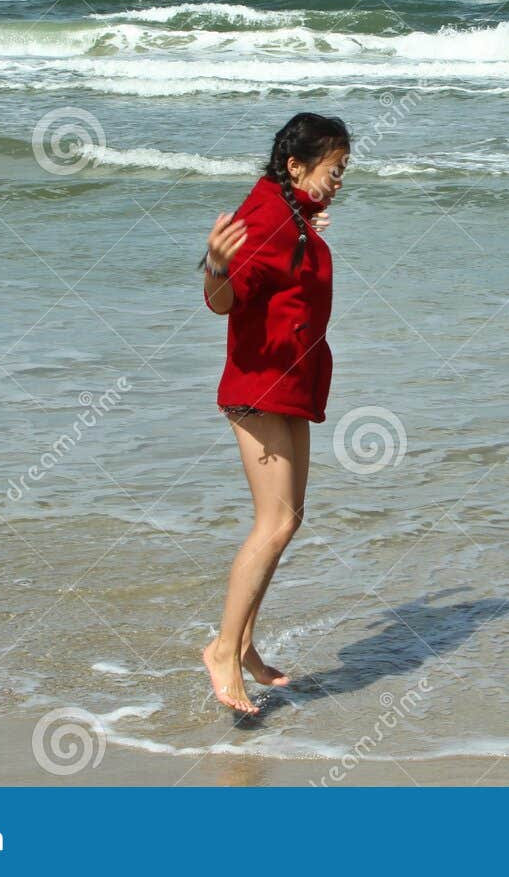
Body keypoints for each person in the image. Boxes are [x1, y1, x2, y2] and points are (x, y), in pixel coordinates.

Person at [199, 112, 350, 712]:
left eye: (344, 171)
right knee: (274, 523)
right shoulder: (263, 218)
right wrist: (213, 263)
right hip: (259, 387)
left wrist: (306, 218)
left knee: (289, 520)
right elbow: (222, 299)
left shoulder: (286, 213)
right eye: (334, 170)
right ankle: (222, 651)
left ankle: (244, 645)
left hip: (288, 385)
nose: (340, 180)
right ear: (295, 166)